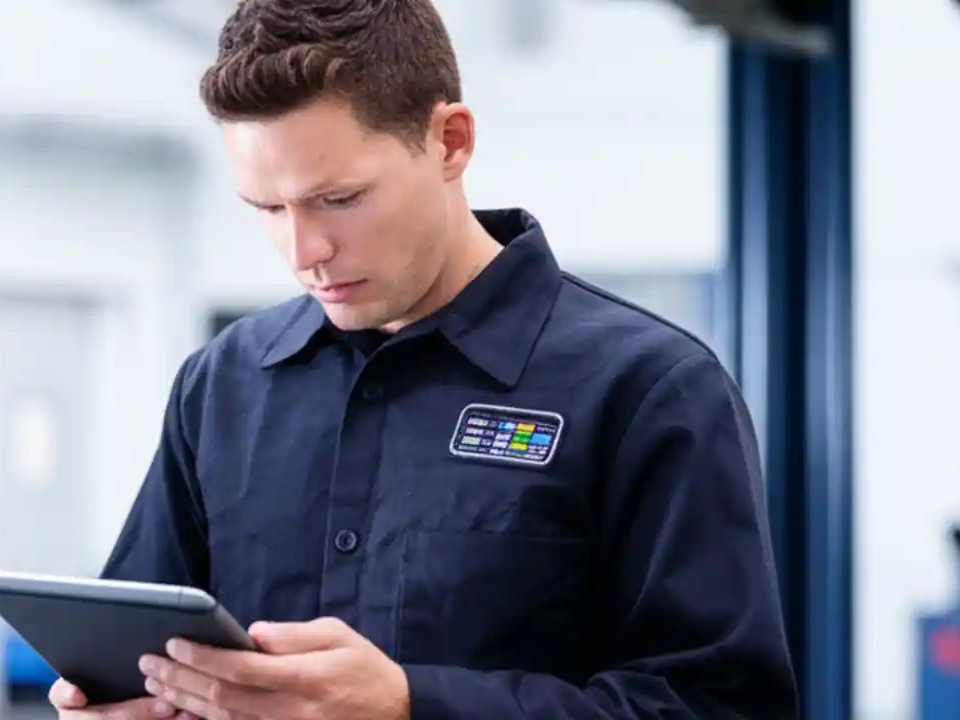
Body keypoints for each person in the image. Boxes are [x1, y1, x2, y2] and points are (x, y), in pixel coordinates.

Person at [50, 0, 797, 717]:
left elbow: (721, 707)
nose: (305, 253)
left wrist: (412, 706)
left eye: (339, 199)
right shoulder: (223, 386)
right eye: (269, 210)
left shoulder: (649, 392)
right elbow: (141, 656)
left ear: (451, 142)